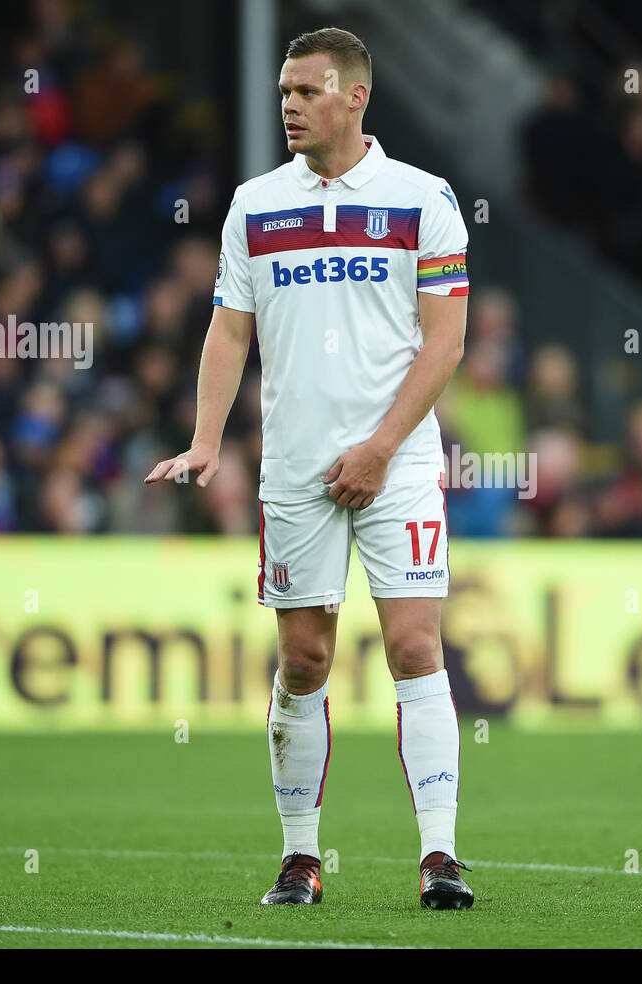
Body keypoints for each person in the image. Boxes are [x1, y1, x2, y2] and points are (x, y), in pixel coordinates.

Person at [145, 27, 473, 909]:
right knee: (304, 657)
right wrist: (208, 439)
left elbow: (446, 340)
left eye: (306, 90)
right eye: (284, 90)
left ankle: (440, 855)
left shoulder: (422, 199)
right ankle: (300, 855)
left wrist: (380, 446)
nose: (288, 104)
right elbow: (228, 329)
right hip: (295, 471)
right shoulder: (255, 204)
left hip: (397, 464)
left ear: (355, 96)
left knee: (414, 644)